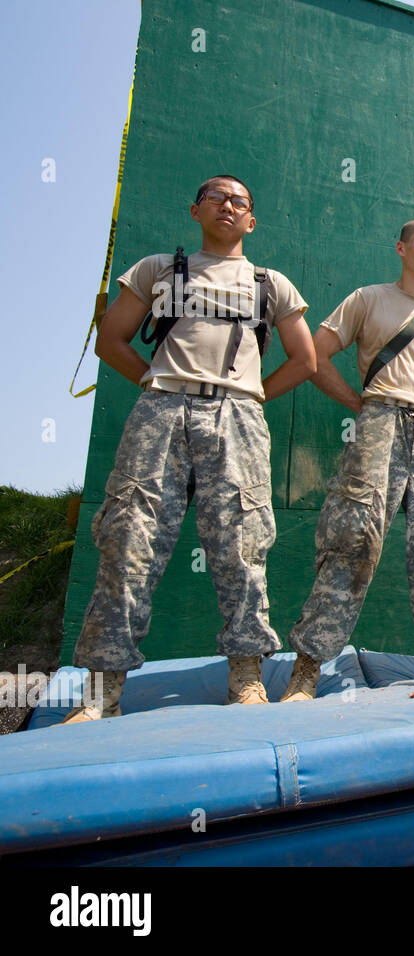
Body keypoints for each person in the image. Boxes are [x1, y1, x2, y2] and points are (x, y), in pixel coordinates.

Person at [64, 175, 315, 722]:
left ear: (251, 220)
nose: (228, 205)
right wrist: (157, 383)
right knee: (130, 538)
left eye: (240, 201)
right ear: (196, 210)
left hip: (239, 417)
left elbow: (306, 359)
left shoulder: (270, 284)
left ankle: (247, 677)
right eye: (217, 198)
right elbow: (112, 340)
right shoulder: (158, 270)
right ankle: (103, 691)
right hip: (161, 412)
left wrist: (249, 397)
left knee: (244, 544)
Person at [281, 219, 414, 699]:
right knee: (352, 537)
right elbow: (316, 355)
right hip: (379, 424)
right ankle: (306, 670)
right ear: (401, 248)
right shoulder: (367, 298)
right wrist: (361, 403)